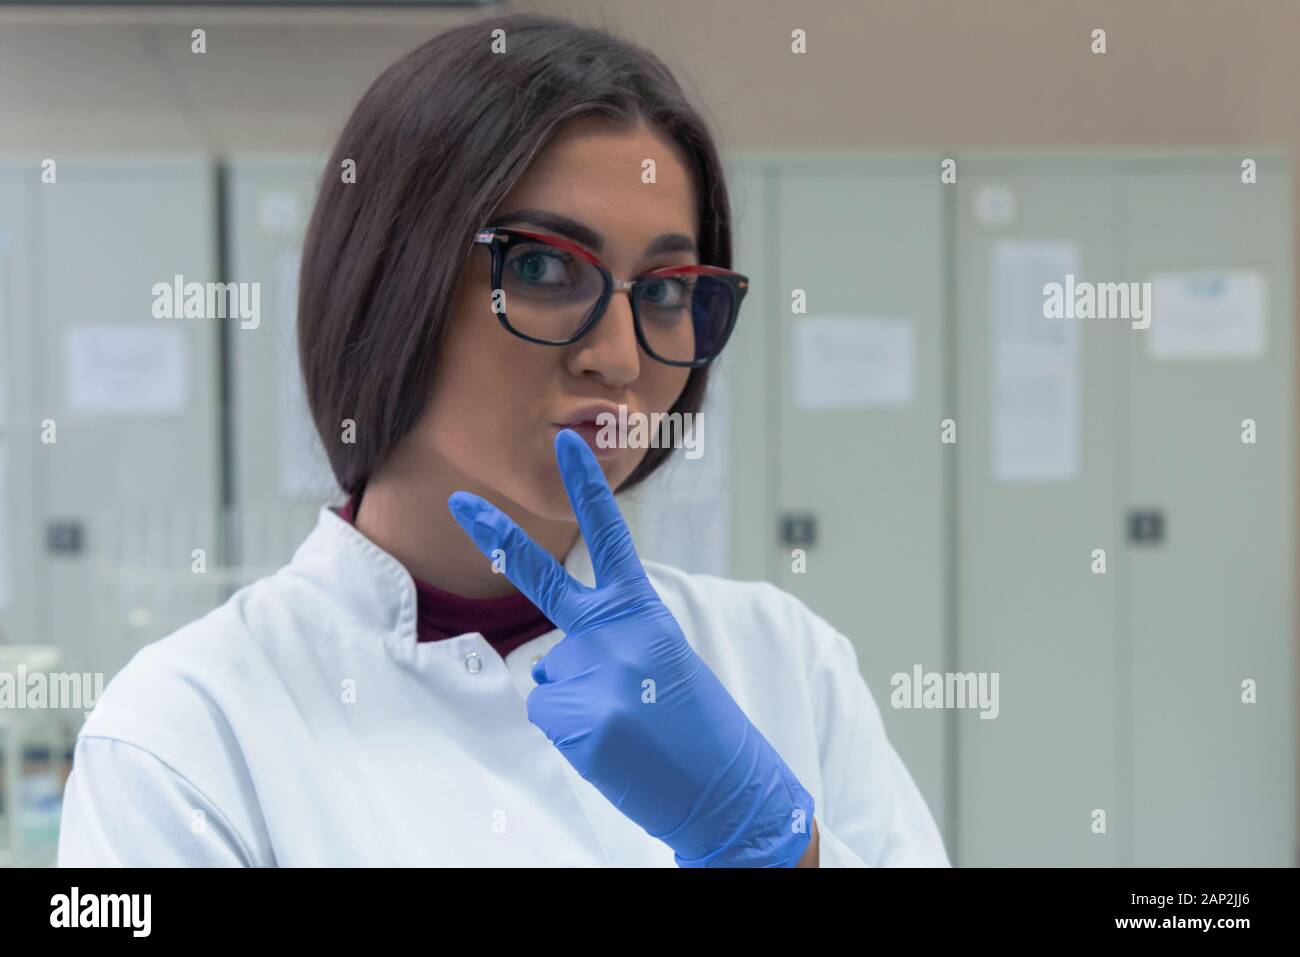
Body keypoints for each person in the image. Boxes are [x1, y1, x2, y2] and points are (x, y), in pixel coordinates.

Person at [57, 13, 948, 867]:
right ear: (390, 281)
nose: (619, 358)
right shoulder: (189, 731)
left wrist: (778, 850)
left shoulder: (783, 662)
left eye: (668, 289)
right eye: (541, 267)